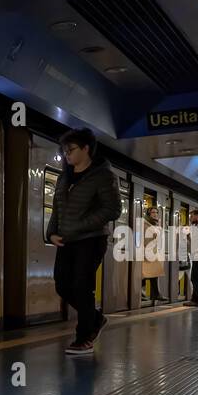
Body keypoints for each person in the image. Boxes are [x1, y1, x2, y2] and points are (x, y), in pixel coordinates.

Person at [47, 127, 122, 355]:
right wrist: (51, 232)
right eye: (65, 150)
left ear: (86, 149)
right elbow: (57, 208)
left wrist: (80, 225)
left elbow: (113, 209)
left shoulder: (104, 175)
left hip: (91, 239)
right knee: (62, 283)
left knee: (81, 285)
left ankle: (84, 337)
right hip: (67, 240)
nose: (66, 154)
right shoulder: (64, 176)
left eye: (71, 149)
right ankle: (96, 319)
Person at [140, 206, 165, 303]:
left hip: (153, 253)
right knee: (144, 274)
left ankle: (155, 294)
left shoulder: (155, 224)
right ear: (148, 214)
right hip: (145, 252)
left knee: (154, 274)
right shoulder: (144, 223)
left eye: (156, 212)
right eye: (153, 212)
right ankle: (142, 293)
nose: (155, 214)